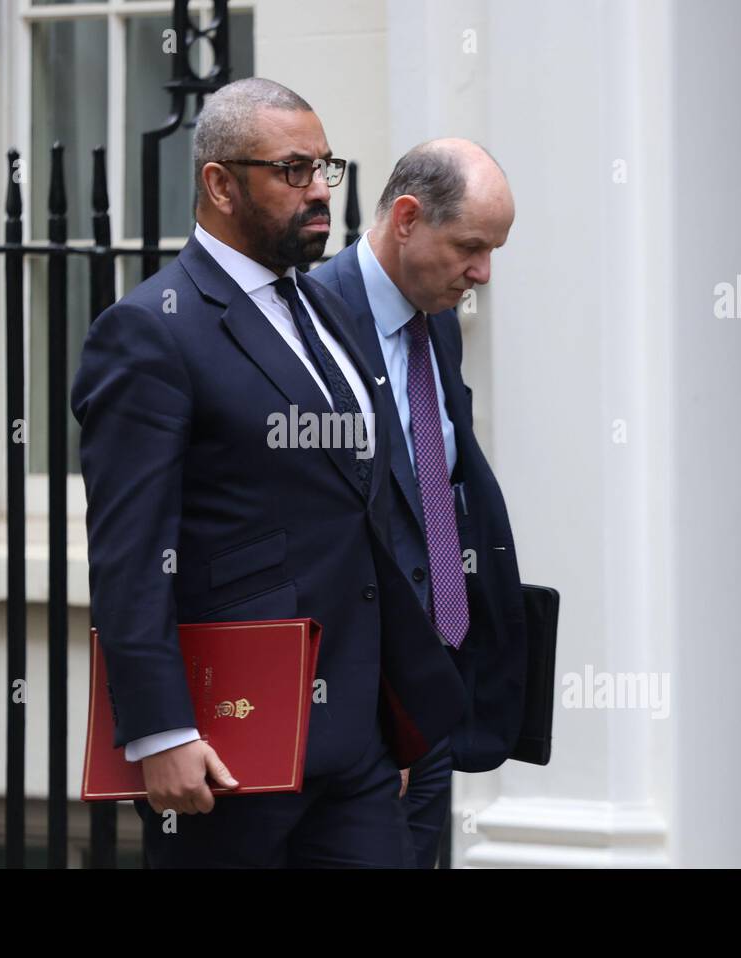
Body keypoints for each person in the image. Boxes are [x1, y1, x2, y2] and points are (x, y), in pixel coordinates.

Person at [70, 79, 463, 868]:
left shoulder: (327, 309)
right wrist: (160, 730)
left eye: (326, 167)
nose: (320, 191)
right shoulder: (150, 331)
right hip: (230, 746)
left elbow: (364, 509)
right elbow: (130, 551)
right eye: (293, 171)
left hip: (357, 744)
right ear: (220, 184)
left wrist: (400, 706)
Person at [311, 138, 525, 868]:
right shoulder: (310, 321)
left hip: (437, 692)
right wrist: (376, 719)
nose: (483, 272)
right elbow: (322, 541)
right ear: (406, 218)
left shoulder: (437, 322)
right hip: (363, 715)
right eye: (470, 246)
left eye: (493, 250)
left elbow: (440, 489)